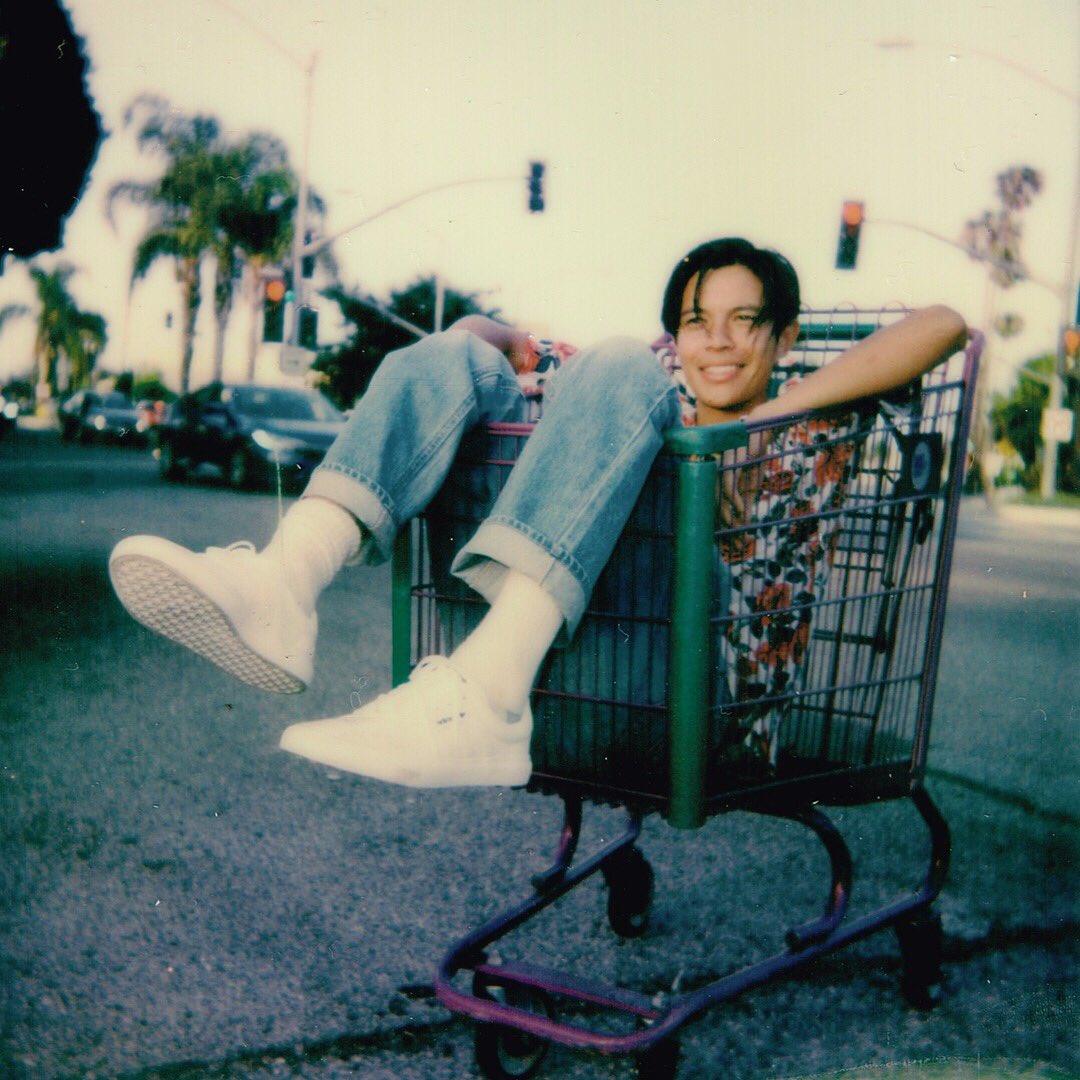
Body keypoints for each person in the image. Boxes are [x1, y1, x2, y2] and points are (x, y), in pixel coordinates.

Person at [109, 238, 967, 789]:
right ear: (677, 336)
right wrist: (502, 339)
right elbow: (476, 335)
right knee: (449, 355)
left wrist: (764, 416)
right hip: (586, 672)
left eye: (746, 322)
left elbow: (945, 324)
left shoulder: (811, 418)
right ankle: (286, 580)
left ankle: (485, 696)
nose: (717, 340)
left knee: (618, 366)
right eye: (697, 321)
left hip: (704, 707)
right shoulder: (634, 399)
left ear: (783, 338)